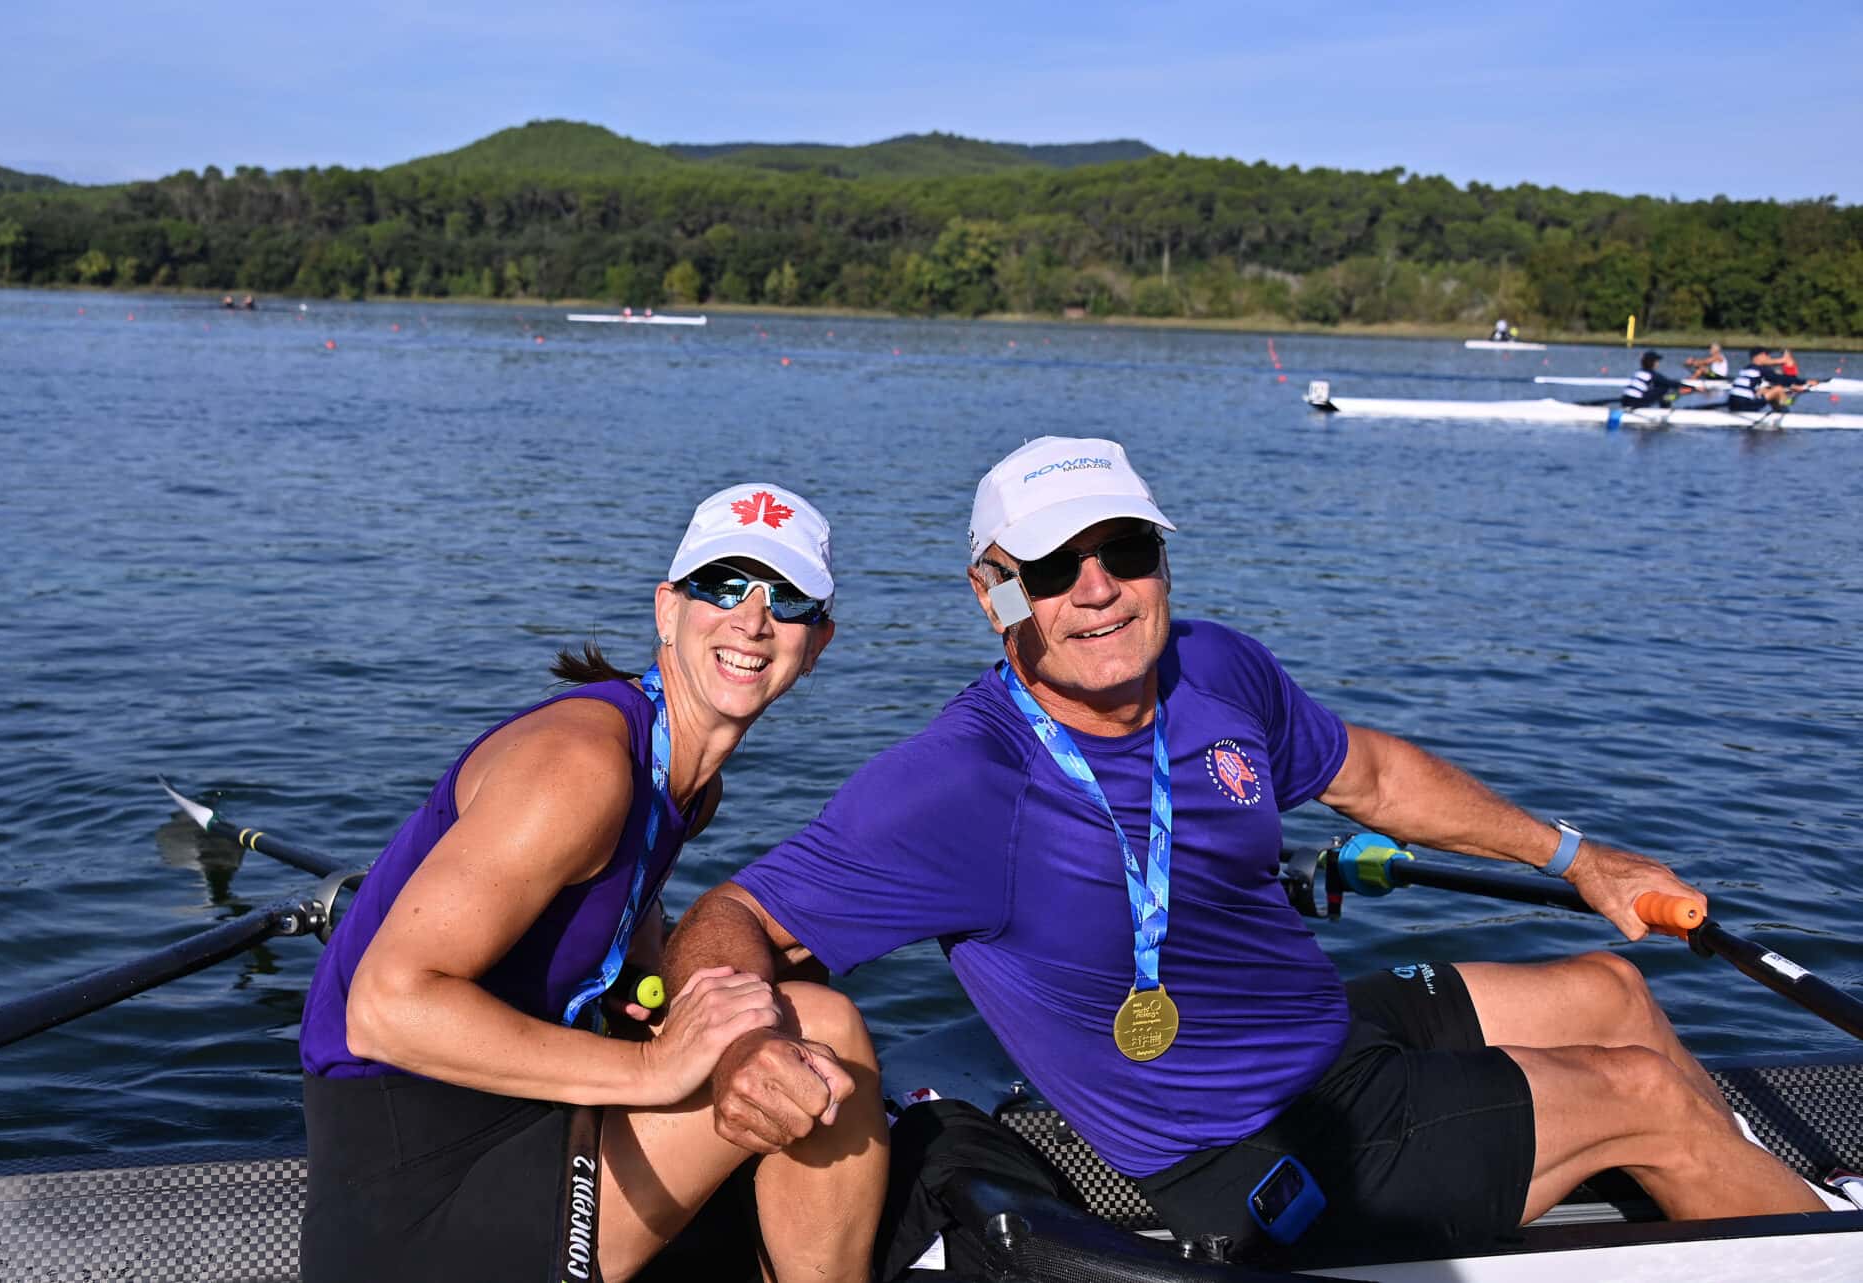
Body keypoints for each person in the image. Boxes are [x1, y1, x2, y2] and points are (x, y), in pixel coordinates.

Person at [666, 438, 1840, 1266]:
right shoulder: (961, 782)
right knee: (1645, 1095)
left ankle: (1761, 1207)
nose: (1099, 591)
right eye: (1054, 567)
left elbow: (1374, 775)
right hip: (1257, 1147)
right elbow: (740, 914)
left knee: (1613, 987)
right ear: (994, 594)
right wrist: (740, 1044)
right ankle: (1797, 1230)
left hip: (1328, 1032)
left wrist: (1577, 855)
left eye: (1126, 550)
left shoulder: (1215, 664)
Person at [297, 482, 887, 1283]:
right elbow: (383, 1009)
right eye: (723, 585)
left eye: (786, 600)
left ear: (816, 644)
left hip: (526, 1116)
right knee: (820, 1033)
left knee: (787, 1001)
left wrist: (650, 980)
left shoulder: (688, 786)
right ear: (668, 610)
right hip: (409, 1188)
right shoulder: (581, 767)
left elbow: (619, 917)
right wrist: (655, 1067)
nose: (752, 619)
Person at [1727, 346, 1819, 412]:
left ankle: (1779, 410)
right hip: (1745, 405)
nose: (1769, 357)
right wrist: (1805, 382)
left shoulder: (1746, 369)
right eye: (1766, 355)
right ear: (1758, 357)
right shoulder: (1761, 369)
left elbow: (1775, 379)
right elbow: (1780, 379)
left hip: (1732, 403)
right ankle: (1785, 409)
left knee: (1765, 390)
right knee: (1778, 389)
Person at [1621, 350, 1700, 408]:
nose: (1658, 364)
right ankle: (1665, 409)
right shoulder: (1652, 375)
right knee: (1665, 388)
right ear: (1652, 362)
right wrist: (1694, 388)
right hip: (1636, 402)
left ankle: (1664, 405)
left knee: (1660, 387)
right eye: (1656, 361)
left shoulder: (1638, 373)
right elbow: (1672, 384)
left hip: (1625, 401)